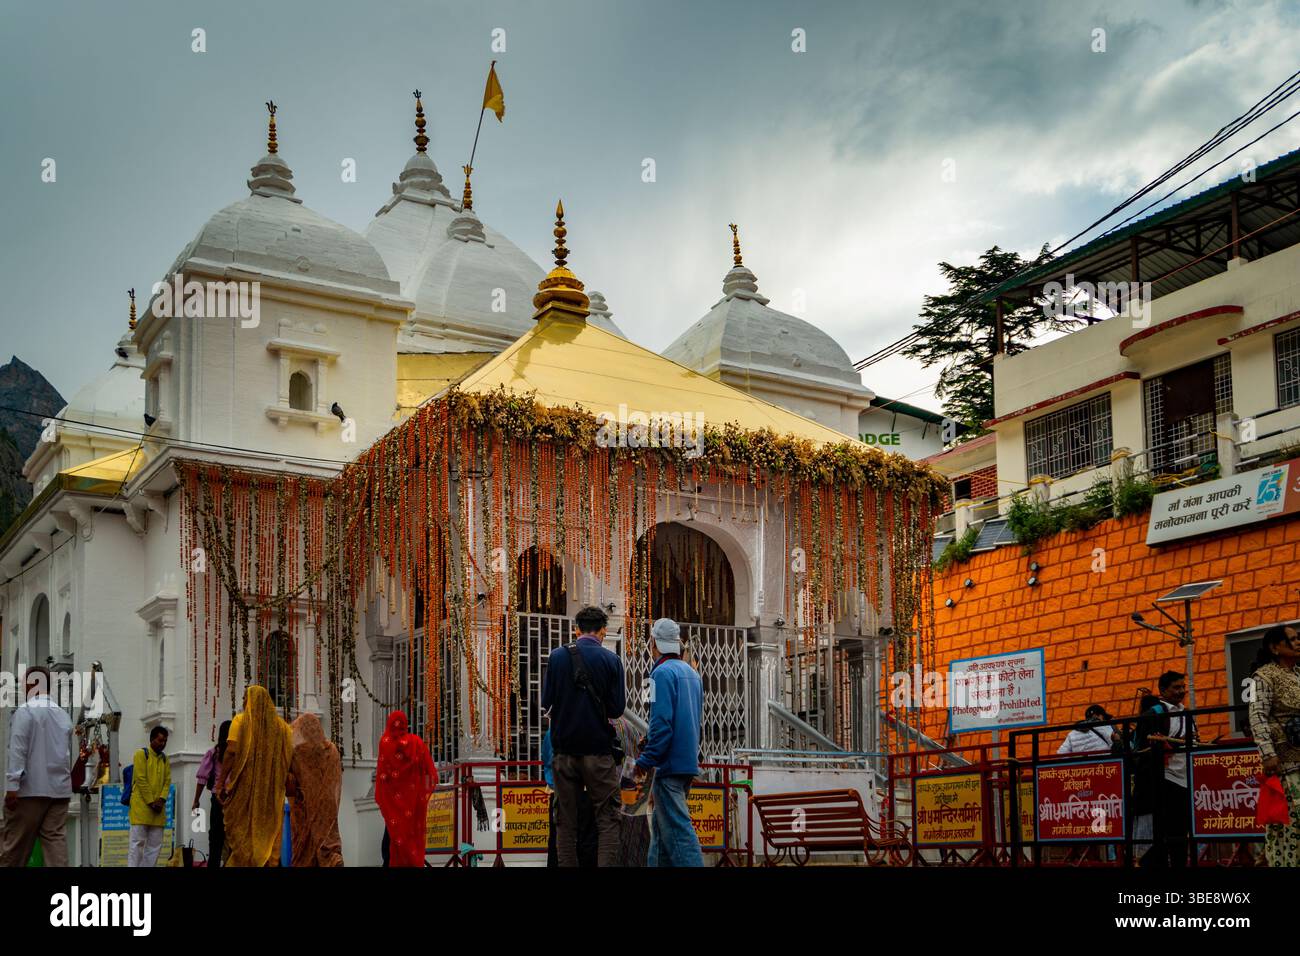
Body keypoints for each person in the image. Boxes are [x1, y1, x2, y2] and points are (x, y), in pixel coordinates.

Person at [541, 605, 626, 867]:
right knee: (607, 819)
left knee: (566, 822)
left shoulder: (556, 657)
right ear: (603, 630)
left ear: (576, 630)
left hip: (564, 754)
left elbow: (547, 703)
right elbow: (616, 708)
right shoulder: (611, 661)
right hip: (599, 755)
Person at [0, 667, 88, 867]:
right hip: (58, 791)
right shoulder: (62, 715)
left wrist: (12, 785)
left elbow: (18, 749)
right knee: (55, 843)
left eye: (24, 683)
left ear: (33, 684)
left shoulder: (26, 711)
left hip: (29, 790)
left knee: (15, 848)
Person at [634, 618, 704, 867]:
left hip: (668, 765)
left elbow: (661, 722)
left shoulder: (660, 673)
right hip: (686, 763)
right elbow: (694, 721)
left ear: (654, 643)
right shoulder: (692, 674)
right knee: (663, 836)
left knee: (679, 832)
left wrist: (645, 760)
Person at [217, 685, 292, 867]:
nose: (243, 702)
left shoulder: (241, 721)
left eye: (245, 698)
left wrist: (220, 783)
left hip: (245, 793)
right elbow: (289, 758)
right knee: (267, 836)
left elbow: (231, 752)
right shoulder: (283, 728)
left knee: (243, 838)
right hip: (271, 795)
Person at [1247, 625, 1300, 866]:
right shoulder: (1263, 676)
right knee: (1290, 826)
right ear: (1274, 647)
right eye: (1292, 639)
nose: (1298, 641)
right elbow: (1257, 716)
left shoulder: (1298, 674)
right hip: (1285, 763)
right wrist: (1267, 754)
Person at [1136, 671, 1197, 868]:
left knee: (1181, 832)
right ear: (1163, 690)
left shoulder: (1187, 714)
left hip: (1185, 778)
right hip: (1164, 779)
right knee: (1165, 832)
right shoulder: (1153, 714)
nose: (1181, 691)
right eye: (1176, 688)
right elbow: (1142, 749)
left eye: (1182, 687)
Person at [375, 710, 434, 867]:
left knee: (392, 839)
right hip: (411, 803)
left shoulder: (385, 742)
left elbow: (382, 775)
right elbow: (429, 771)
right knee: (409, 839)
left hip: (393, 804)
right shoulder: (416, 743)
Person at [288, 713, 344, 867]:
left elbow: (289, 784)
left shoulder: (297, 753)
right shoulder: (331, 749)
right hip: (327, 808)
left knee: (304, 848)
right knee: (327, 840)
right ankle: (332, 860)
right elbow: (335, 781)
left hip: (303, 808)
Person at [542, 726, 597, 867]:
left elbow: (548, 763)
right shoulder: (591, 727)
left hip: (566, 793)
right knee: (582, 843)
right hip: (581, 793)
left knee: (562, 841)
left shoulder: (554, 730)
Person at [128, 726, 171, 867]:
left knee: (154, 847)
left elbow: (167, 781)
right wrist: (152, 802)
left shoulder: (165, 759)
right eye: (160, 740)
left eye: (165, 741)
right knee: (137, 845)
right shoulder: (141, 754)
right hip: (141, 808)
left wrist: (162, 799)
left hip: (158, 810)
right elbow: (141, 779)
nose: (163, 743)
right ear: (152, 739)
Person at [193, 720, 230, 868]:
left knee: (215, 836)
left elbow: (202, 778)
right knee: (234, 837)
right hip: (234, 799)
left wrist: (196, 801)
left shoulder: (214, 753)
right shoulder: (240, 753)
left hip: (218, 798)